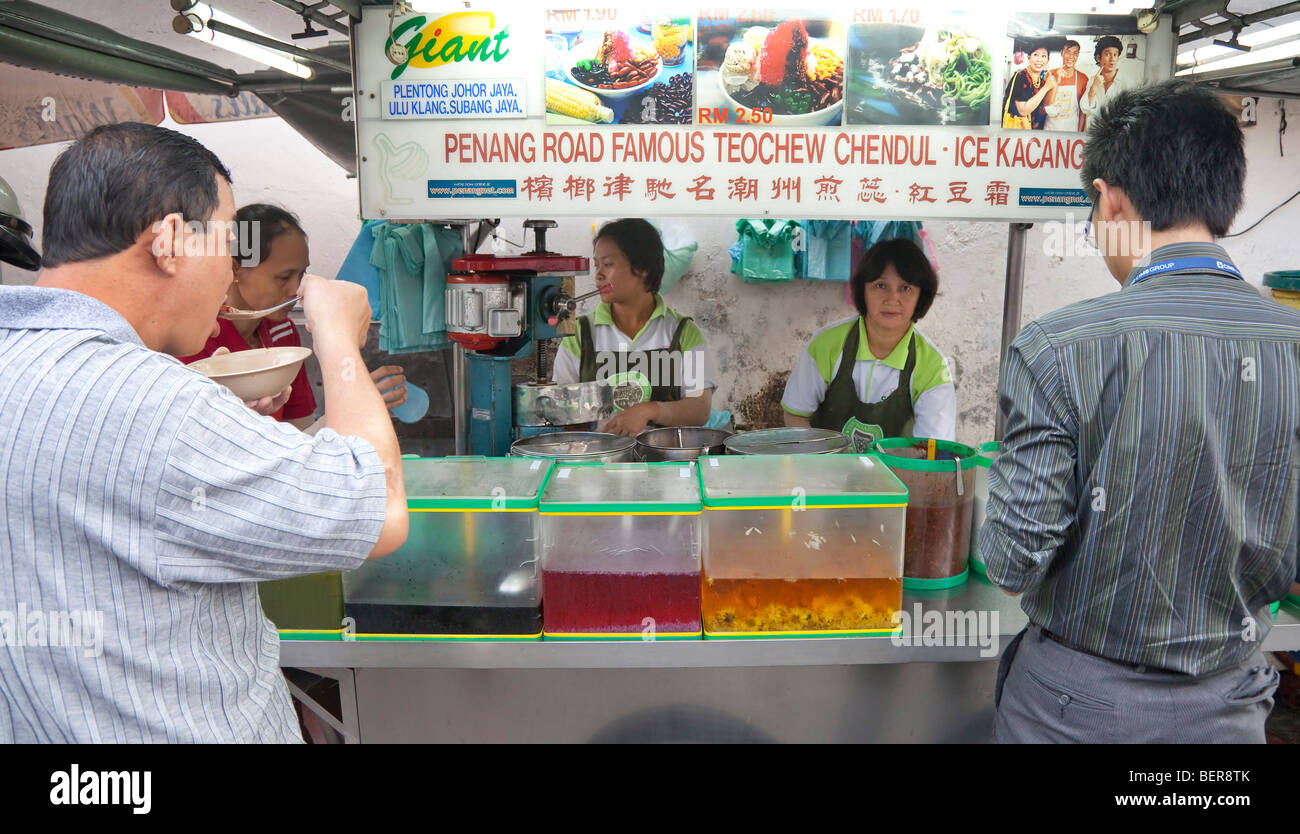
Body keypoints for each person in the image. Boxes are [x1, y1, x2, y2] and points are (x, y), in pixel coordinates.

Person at [0, 123, 408, 742]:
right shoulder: (156, 404)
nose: (227, 274)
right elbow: (373, 510)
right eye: (225, 240)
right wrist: (336, 340)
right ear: (167, 240)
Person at [981, 80, 1300, 744]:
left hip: (1075, 712)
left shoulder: (1057, 349)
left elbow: (1012, 561)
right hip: (1229, 709)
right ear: (1224, 197)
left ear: (1111, 199)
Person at [179, 203, 408, 430]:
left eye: (301, 274)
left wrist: (360, 401)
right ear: (236, 269)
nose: (295, 290)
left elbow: (299, 436)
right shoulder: (197, 339)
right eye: (284, 277)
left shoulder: (283, 334)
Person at [782, 237, 955, 450]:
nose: (892, 299)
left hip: (898, 478)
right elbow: (795, 415)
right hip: (826, 475)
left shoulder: (933, 366)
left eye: (906, 288)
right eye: (880, 285)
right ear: (862, 290)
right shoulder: (826, 344)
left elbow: (932, 447)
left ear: (921, 296)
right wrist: (823, 465)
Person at [552, 218, 716, 436]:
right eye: (597, 265)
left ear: (643, 268)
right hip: (599, 463)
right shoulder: (579, 334)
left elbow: (700, 409)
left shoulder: (683, 332)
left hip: (664, 461)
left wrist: (650, 410)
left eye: (608, 264)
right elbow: (560, 409)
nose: (598, 275)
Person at [1079, 35, 1139, 131]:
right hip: (1097, 134)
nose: (1112, 59)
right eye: (1107, 54)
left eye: (1115, 55)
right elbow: (1085, 108)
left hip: (1118, 136)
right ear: (1099, 58)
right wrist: (1093, 90)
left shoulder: (1128, 83)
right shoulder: (1093, 80)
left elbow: (1133, 115)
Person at [1001, 43, 1057, 130]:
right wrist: (1047, 87)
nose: (1039, 60)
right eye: (1035, 55)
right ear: (1029, 57)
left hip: (1031, 130)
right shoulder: (1021, 76)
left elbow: (1043, 108)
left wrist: (1053, 86)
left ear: (1048, 60)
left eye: (1043, 56)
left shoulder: (1040, 81)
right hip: (1015, 130)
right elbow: (1023, 111)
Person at [1043, 40, 1088, 132]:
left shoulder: (1083, 78)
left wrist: (1078, 134)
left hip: (1071, 131)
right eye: (1068, 52)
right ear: (1062, 53)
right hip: (1050, 129)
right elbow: (1046, 106)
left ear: (1078, 55)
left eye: (1075, 53)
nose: (1071, 56)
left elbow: (1083, 112)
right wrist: (1056, 81)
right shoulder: (1050, 74)